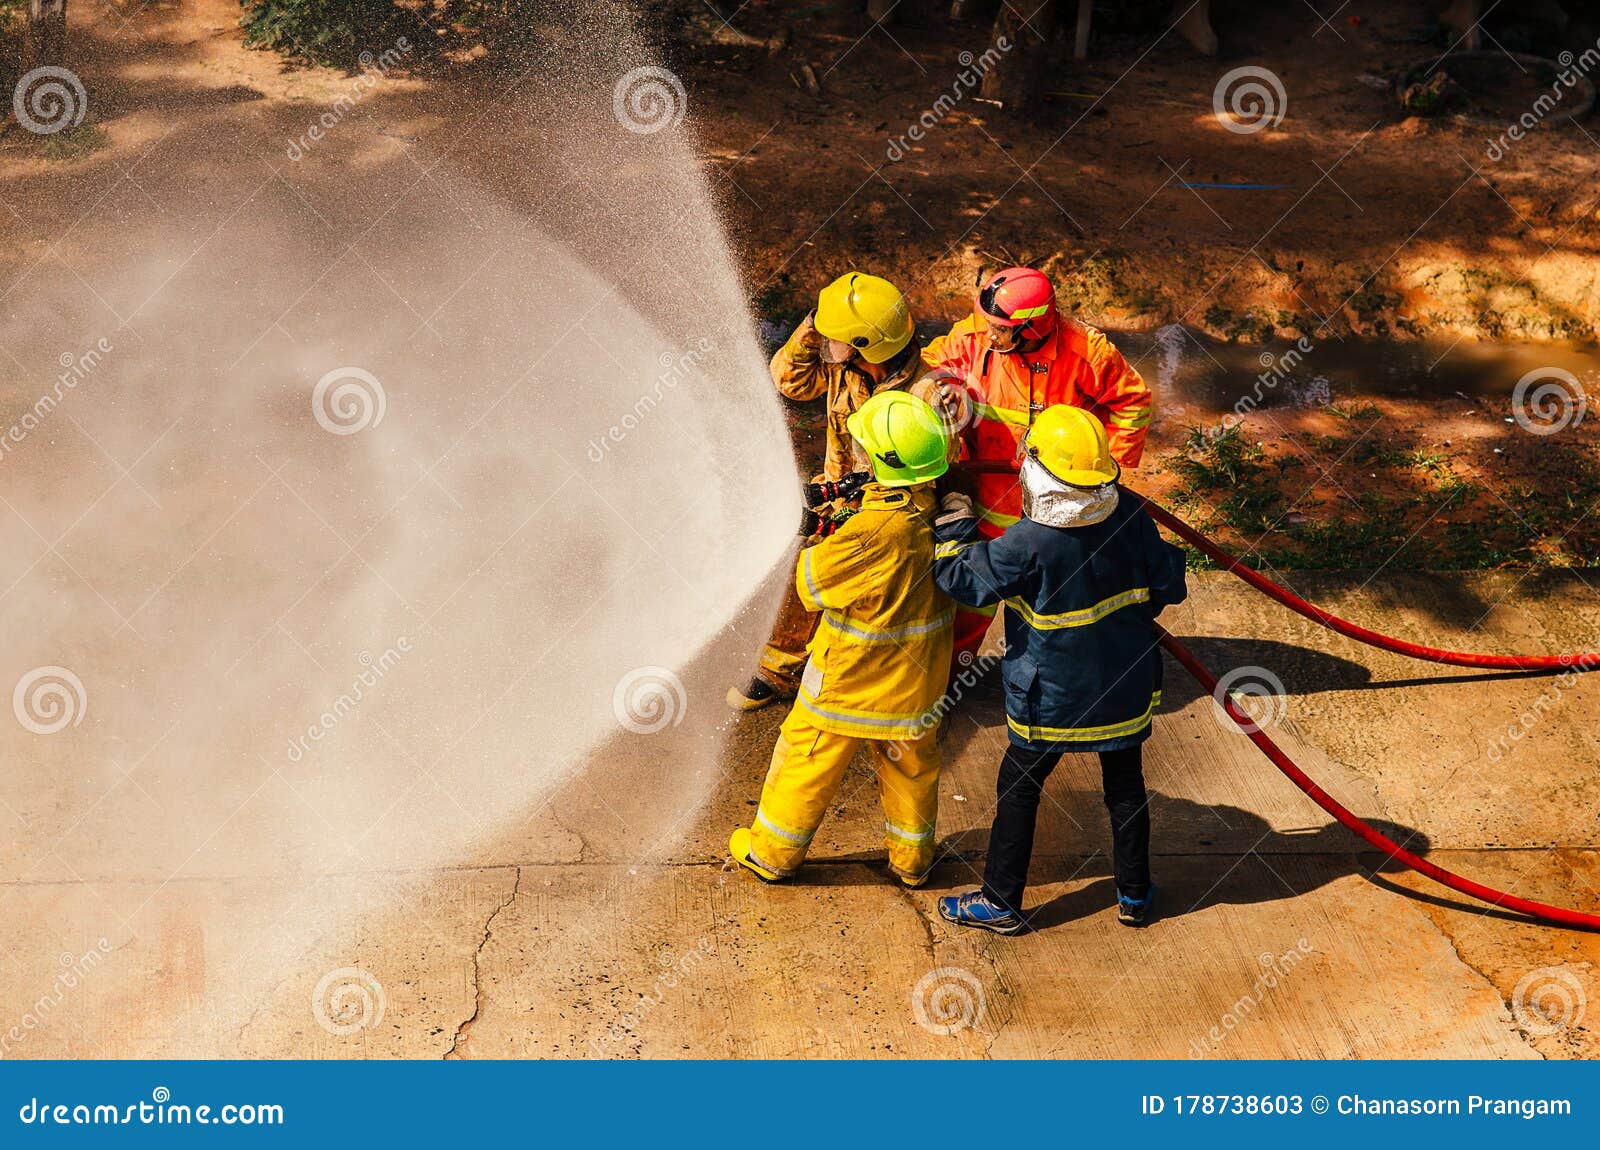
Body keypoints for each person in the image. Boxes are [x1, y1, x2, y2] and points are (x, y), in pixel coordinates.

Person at [930, 405, 1186, 934]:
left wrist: (954, 520)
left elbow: (964, 580)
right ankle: (1134, 895)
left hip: (1051, 699)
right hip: (1124, 688)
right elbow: (1169, 586)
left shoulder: (1030, 542)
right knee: (1125, 786)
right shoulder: (1131, 516)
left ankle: (1001, 901)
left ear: (1038, 471)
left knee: (1019, 785)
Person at [729, 390, 955, 887]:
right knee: (911, 773)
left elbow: (812, 585)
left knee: (805, 760)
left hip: (850, 683)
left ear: (883, 462)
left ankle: (771, 852)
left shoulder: (875, 530)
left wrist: (817, 534)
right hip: (917, 686)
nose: (856, 454)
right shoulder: (938, 506)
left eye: (864, 449)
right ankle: (912, 863)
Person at [920, 266, 1154, 664]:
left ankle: (1043, 673)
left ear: (1031, 328)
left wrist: (1097, 467)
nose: (990, 335)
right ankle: (953, 677)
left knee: (1048, 609)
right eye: (989, 324)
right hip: (984, 495)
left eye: (1001, 329)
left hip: (1057, 509)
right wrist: (942, 389)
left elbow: (1132, 403)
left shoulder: (1087, 351)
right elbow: (932, 366)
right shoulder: (976, 333)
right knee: (970, 604)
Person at [728, 271, 925, 712]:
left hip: (889, 515)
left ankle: (871, 684)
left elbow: (922, 476)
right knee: (800, 570)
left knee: (867, 605)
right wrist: (817, 321)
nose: (827, 348)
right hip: (839, 498)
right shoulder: (845, 367)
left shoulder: (927, 390)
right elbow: (788, 381)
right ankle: (779, 669)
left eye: (836, 339)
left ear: (868, 346)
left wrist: (854, 513)